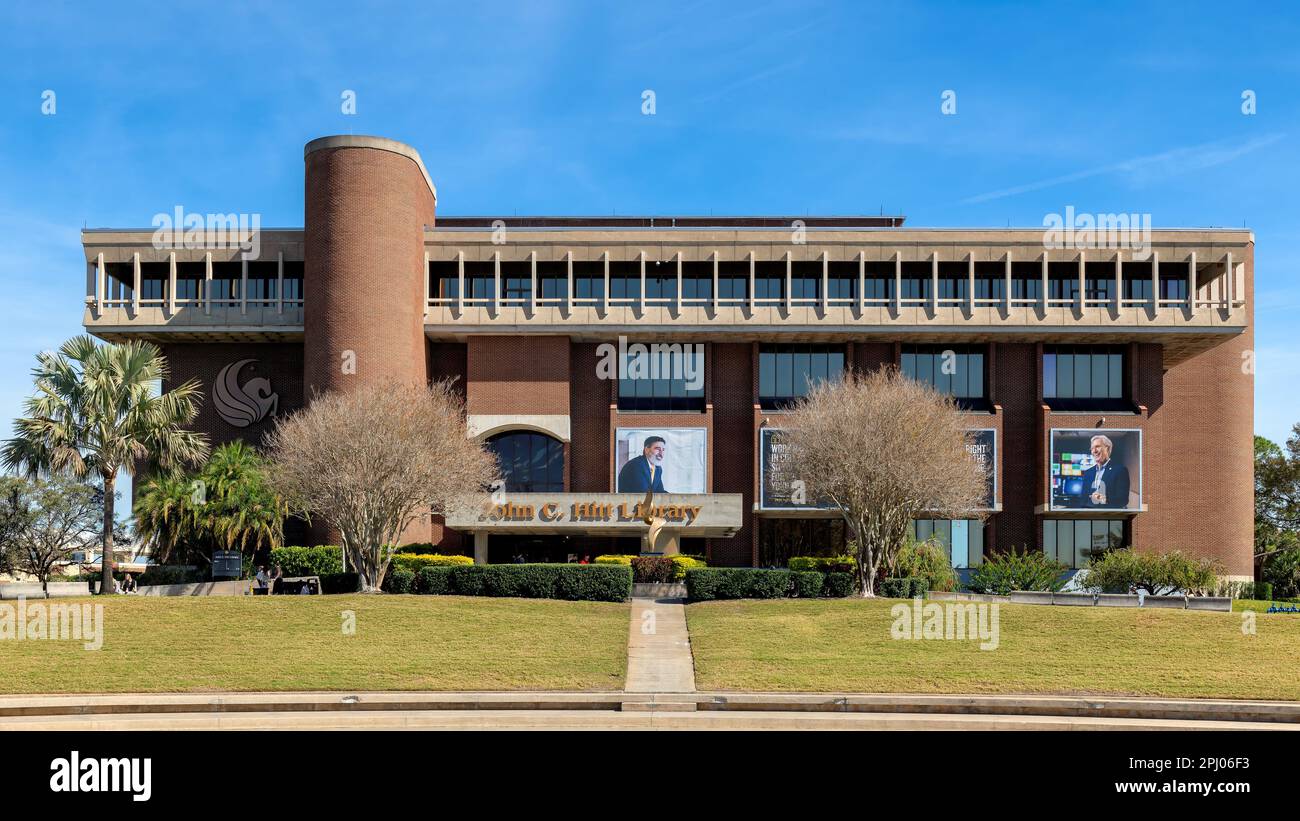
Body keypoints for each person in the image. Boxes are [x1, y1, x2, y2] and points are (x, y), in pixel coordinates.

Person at [1079, 434, 1130, 509]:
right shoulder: (1088, 473)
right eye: (1092, 448)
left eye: (1097, 447)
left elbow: (1123, 500)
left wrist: (1105, 499)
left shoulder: (1120, 470)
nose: (1094, 451)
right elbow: (1083, 500)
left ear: (1107, 448)